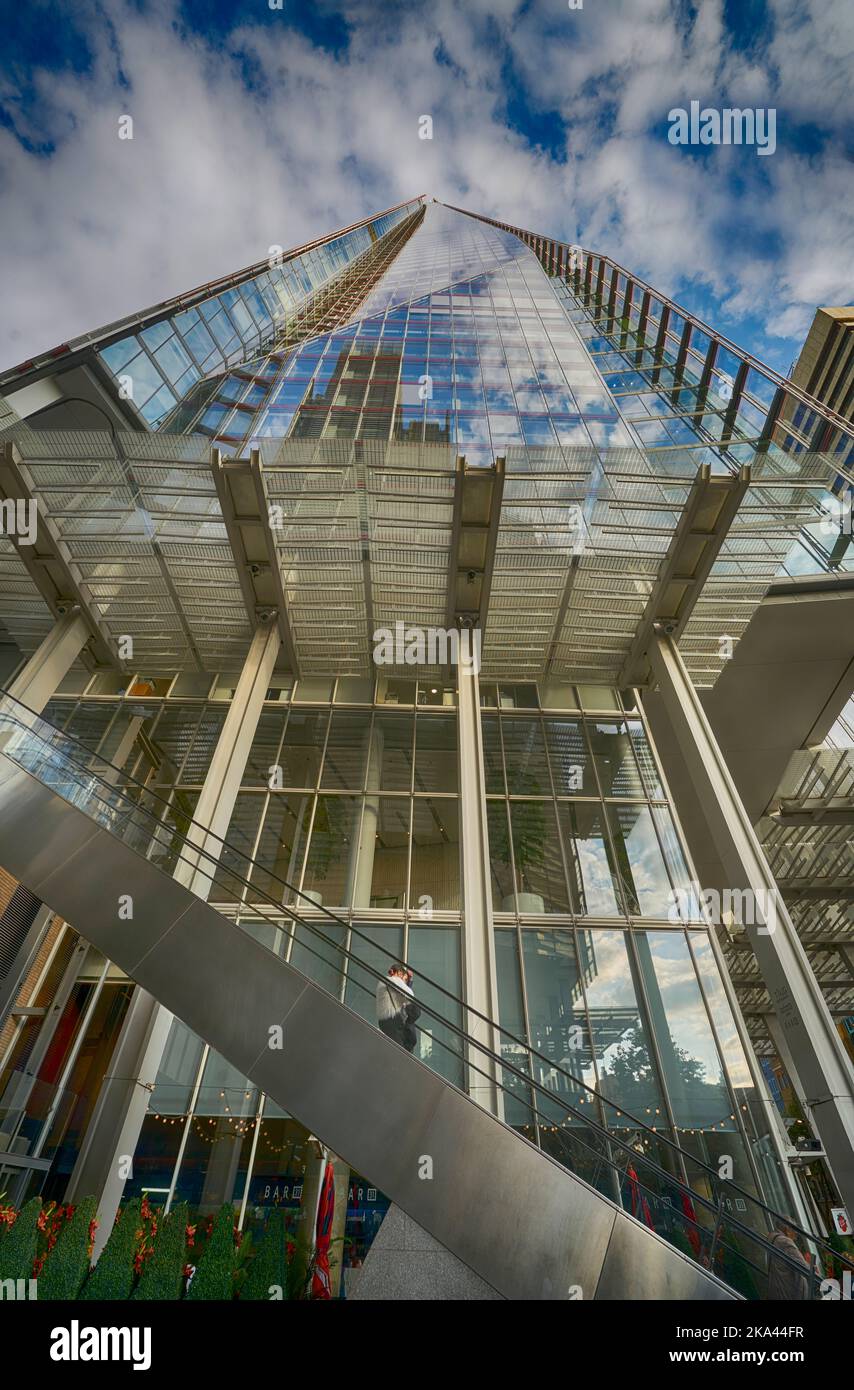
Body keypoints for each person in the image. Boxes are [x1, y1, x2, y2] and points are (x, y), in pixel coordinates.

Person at [376, 964, 420, 1054]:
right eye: (404, 979)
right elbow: (409, 994)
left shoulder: (385, 983)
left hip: (386, 1022)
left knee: (406, 1046)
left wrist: (409, 981)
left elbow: (402, 998)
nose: (404, 982)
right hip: (391, 1020)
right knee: (404, 1050)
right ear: (399, 973)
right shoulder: (393, 979)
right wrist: (408, 983)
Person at [767, 1222, 811, 1300]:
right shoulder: (785, 1241)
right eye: (795, 1231)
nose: (796, 1236)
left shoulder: (772, 1237)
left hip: (778, 1289)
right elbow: (804, 1268)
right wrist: (811, 1266)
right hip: (787, 1293)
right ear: (787, 1230)